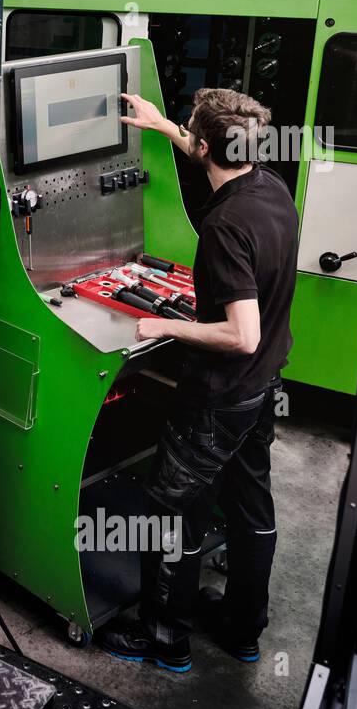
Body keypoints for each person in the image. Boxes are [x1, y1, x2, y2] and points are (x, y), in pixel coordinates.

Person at [96, 88, 298, 671]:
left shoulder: (224, 228)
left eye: (191, 133)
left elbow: (242, 334)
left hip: (222, 394)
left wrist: (165, 325)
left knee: (169, 508)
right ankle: (241, 631)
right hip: (264, 388)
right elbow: (210, 150)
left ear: (208, 145)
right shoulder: (270, 188)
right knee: (249, 504)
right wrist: (163, 127)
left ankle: (165, 641)